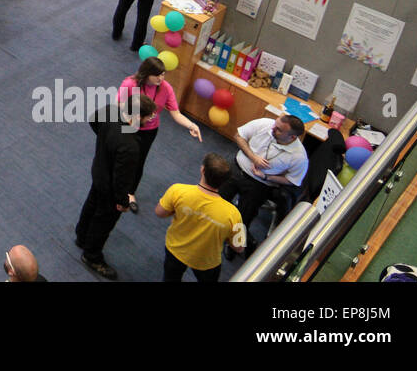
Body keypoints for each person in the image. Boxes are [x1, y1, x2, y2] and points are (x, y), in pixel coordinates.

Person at [74, 93, 156, 279]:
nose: (151, 118)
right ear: (136, 116)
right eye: (149, 116)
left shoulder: (111, 111)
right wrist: (122, 201)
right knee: (104, 221)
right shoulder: (131, 144)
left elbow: (93, 119)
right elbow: (122, 179)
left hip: (99, 172)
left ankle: (81, 236)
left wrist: (105, 140)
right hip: (111, 188)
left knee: (91, 204)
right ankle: (92, 256)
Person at [118, 56, 202, 212]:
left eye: (163, 74)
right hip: (130, 127)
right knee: (123, 157)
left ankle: (130, 193)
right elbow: (119, 108)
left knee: (139, 161)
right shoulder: (130, 84)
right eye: (157, 75)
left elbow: (176, 113)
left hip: (149, 131)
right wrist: (134, 118)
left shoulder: (165, 88)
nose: (161, 78)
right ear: (146, 73)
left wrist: (192, 125)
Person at [219, 114, 309, 258]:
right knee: (216, 201)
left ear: (292, 138)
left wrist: (267, 176)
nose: (273, 128)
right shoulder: (265, 124)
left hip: (259, 184)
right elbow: (238, 136)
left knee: (242, 219)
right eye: (275, 124)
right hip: (237, 169)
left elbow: (292, 181)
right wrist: (253, 157)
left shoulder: (299, 157)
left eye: (279, 129)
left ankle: (233, 245)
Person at [155, 154, 245, 282]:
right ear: (226, 181)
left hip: (175, 250)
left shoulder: (178, 191)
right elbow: (239, 247)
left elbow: (159, 212)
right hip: (207, 262)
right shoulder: (234, 214)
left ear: (202, 170)